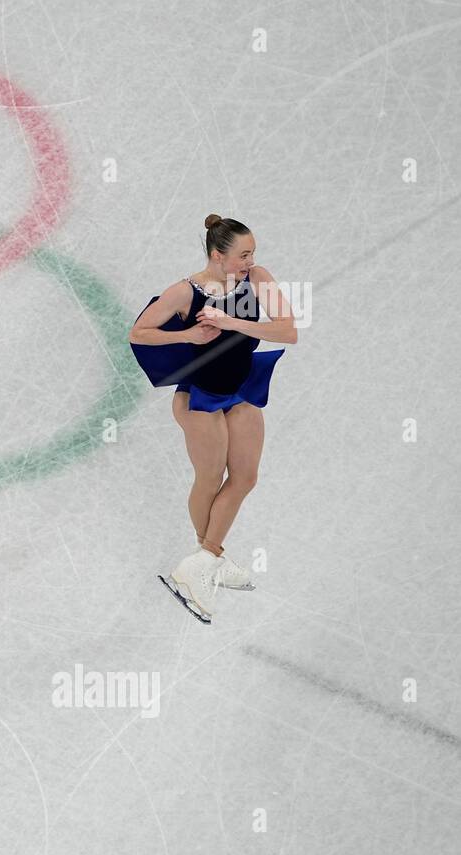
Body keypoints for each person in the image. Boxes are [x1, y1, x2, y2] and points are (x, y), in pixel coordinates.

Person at [129, 214, 299, 623]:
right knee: (210, 478)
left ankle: (205, 560)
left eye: (252, 252)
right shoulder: (185, 292)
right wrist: (187, 335)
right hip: (200, 398)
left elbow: (288, 331)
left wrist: (228, 321)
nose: (250, 260)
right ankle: (205, 561)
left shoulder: (257, 278)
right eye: (242, 254)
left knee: (245, 476)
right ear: (217, 256)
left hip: (240, 389)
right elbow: (139, 332)